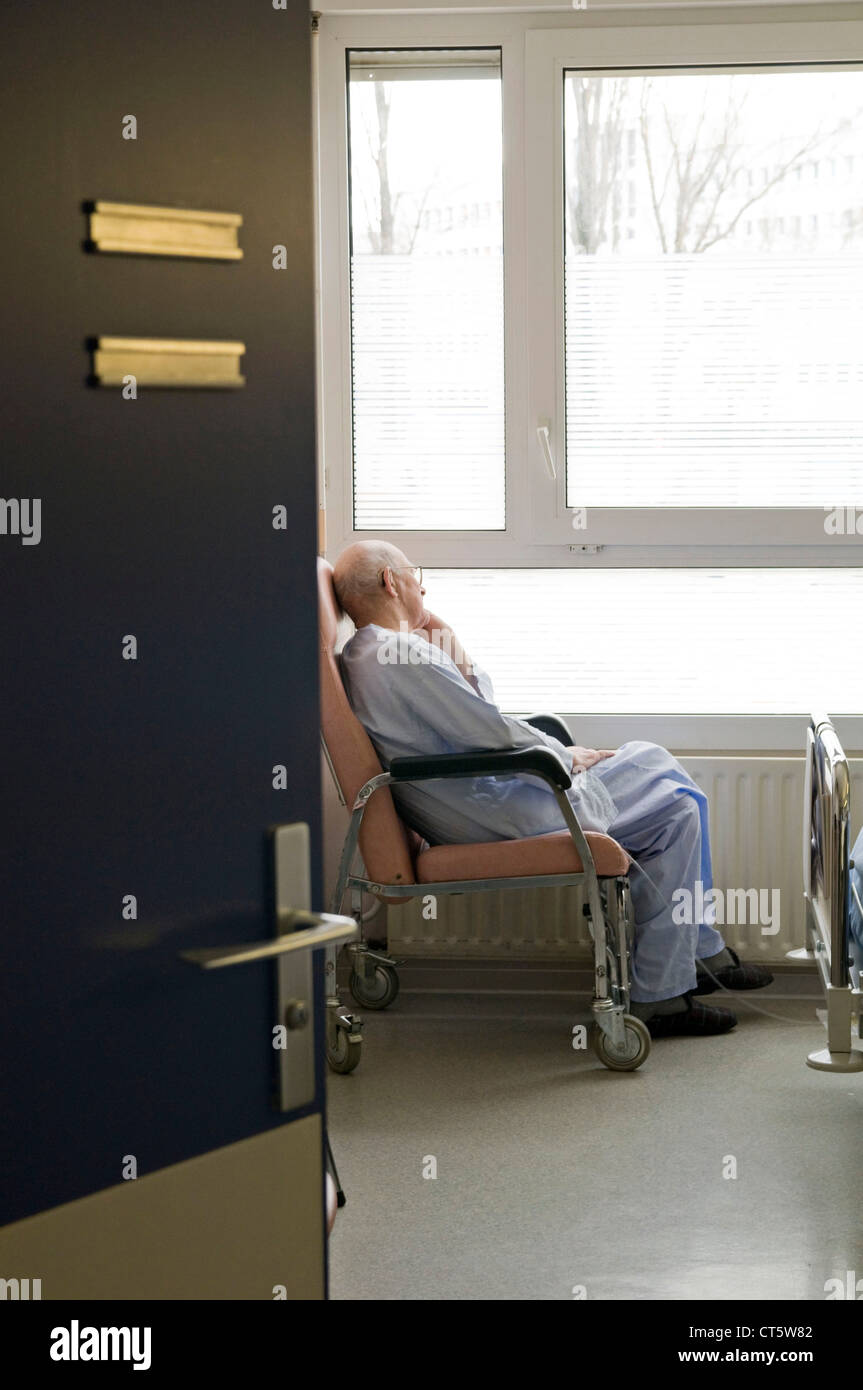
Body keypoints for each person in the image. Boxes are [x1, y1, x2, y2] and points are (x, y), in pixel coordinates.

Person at [332, 540, 773, 1038]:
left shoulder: (369, 653)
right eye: (415, 574)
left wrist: (451, 643)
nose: (423, 587)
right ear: (391, 581)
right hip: (498, 808)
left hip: (482, 798)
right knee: (665, 783)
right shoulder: (396, 652)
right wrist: (565, 756)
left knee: (676, 806)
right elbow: (487, 730)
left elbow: (472, 718)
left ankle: (681, 972)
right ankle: (680, 973)